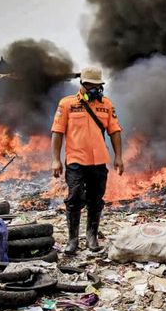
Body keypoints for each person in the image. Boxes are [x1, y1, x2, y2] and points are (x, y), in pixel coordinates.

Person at [51, 66, 123, 253]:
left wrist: (119, 157)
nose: (95, 88)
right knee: (74, 198)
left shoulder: (106, 104)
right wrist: (56, 160)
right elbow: (57, 132)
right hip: (76, 160)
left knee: (96, 199)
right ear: (82, 84)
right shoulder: (67, 104)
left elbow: (115, 131)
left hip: (99, 161)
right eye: (91, 85)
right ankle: (72, 240)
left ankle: (92, 237)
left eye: (98, 85)